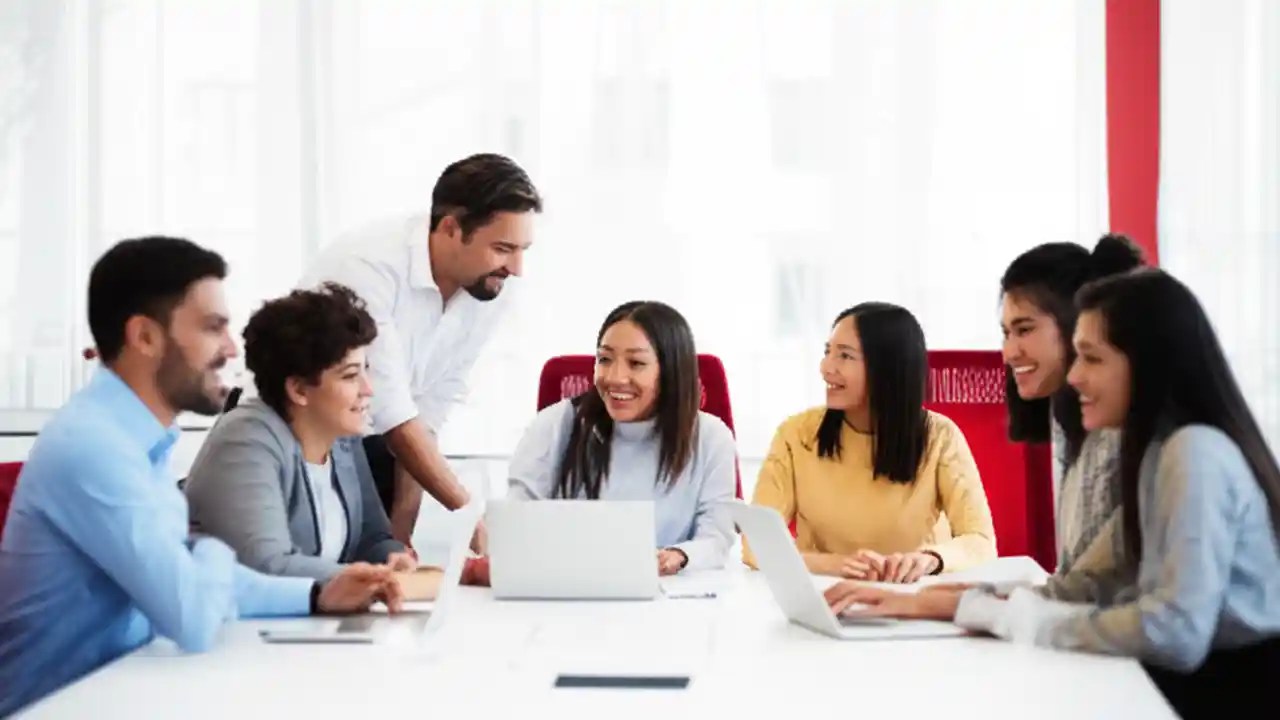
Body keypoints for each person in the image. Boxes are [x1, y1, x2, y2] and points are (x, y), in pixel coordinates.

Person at [826, 269, 1280, 718]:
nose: (1075, 376)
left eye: (1092, 359)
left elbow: (1175, 633)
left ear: (1148, 362)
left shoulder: (1194, 452)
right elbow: (1095, 583)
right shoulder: (1157, 453)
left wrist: (1007, 617)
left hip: (1225, 694)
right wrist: (962, 603)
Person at [0, 237, 402, 716]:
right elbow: (191, 615)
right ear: (145, 337)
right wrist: (204, 543)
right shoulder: (94, 448)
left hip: (126, 691)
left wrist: (317, 594)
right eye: (213, 328)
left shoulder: (138, 442)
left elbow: (209, 585)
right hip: (60, 705)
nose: (231, 349)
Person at [299, 153, 542, 549]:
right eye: (502, 248)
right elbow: (392, 410)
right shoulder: (367, 267)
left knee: (388, 561)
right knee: (316, 573)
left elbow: (426, 413)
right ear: (450, 228)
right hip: (301, 438)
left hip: (374, 439)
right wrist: (469, 515)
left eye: (522, 249)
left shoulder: (490, 285)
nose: (516, 268)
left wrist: (401, 536)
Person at [746, 302, 997, 582]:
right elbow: (755, 544)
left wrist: (930, 559)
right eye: (828, 352)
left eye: (845, 355)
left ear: (887, 368)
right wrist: (835, 565)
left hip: (914, 594)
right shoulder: (796, 434)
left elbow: (980, 542)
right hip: (823, 593)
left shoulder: (940, 436)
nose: (826, 368)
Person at [185, 283, 416, 581]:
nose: (368, 389)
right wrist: (368, 579)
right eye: (350, 376)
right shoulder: (245, 440)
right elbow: (266, 566)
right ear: (299, 389)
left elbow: (370, 538)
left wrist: (392, 558)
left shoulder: (341, 437)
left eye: (365, 370)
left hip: (311, 610)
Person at [506, 301, 737, 575]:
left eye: (636, 363)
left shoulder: (711, 437)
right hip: (569, 584)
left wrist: (680, 555)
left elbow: (717, 538)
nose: (615, 378)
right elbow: (516, 520)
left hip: (668, 590)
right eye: (605, 359)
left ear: (671, 371)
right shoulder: (556, 423)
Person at [999, 235, 1144, 597]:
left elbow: (1096, 586)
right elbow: (1075, 575)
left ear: (1075, 323)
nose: (1008, 352)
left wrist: (969, 603)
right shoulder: (1064, 415)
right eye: (1005, 333)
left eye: (1024, 330)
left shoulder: (1118, 431)